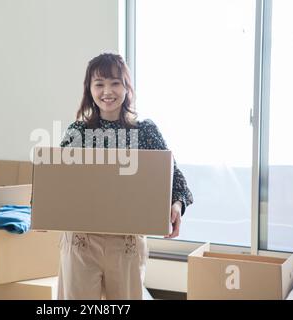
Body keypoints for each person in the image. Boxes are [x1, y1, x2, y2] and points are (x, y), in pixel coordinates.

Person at [57, 53, 193, 300]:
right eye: (99, 84)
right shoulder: (77, 132)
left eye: (114, 83)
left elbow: (174, 177)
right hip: (81, 241)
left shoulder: (145, 131)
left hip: (126, 241)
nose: (107, 91)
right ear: (89, 90)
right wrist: (44, 209)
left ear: (127, 87)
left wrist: (176, 203)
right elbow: (57, 179)